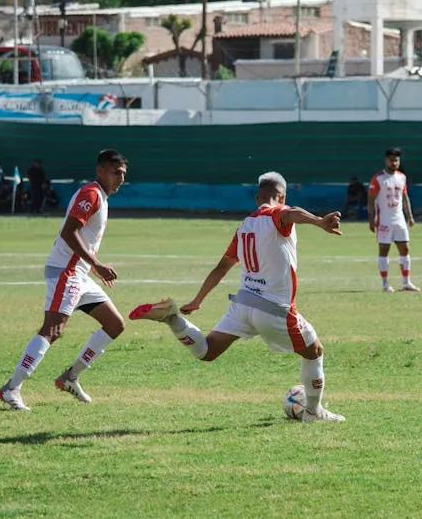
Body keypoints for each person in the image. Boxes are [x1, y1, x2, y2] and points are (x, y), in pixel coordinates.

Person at [128, 171, 345, 422]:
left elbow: (221, 267)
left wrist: (198, 300)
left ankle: (173, 318)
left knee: (207, 351)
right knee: (314, 352)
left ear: (256, 198)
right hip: (274, 309)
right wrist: (319, 221)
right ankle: (313, 412)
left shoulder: (244, 227)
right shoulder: (277, 215)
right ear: (282, 196)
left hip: (243, 305)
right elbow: (291, 212)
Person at [0, 149, 128, 411]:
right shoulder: (91, 193)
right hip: (67, 272)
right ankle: (11, 388)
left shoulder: (100, 196)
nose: (120, 179)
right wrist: (97, 265)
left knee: (115, 324)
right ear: (100, 170)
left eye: (124, 174)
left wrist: (91, 268)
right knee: (52, 330)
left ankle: (70, 377)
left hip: (79, 274)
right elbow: (69, 232)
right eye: (116, 173)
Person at [368, 147, 419, 293]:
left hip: (399, 219)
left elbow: (405, 197)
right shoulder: (378, 178)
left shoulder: (402, 177)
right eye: (391, 160)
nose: (394, 162)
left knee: (405, 249)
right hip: (384, 219)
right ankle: (385, 284)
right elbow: (370, 200)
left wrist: (410, 216)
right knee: (384, 250)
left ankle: (406, 282)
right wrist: (371, 220)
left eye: (396, 160)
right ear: (386, 160)